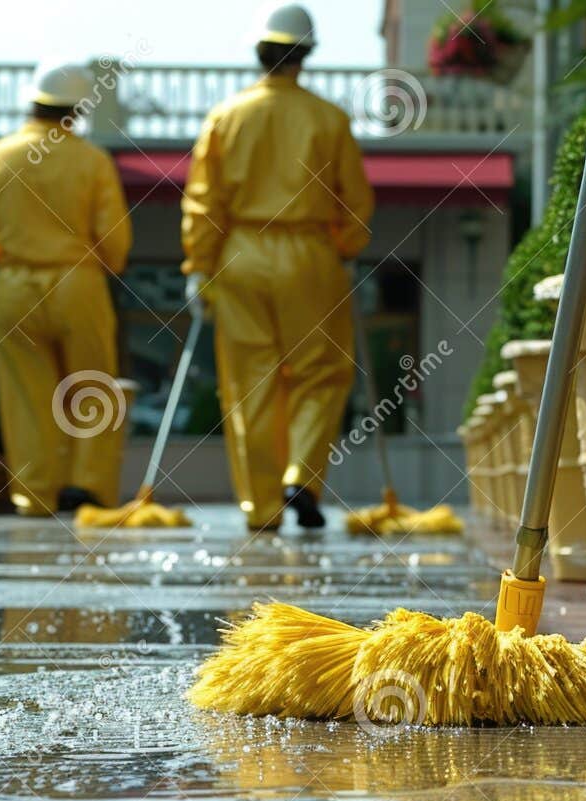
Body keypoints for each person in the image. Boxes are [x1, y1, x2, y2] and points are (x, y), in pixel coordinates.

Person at [182, 4, 375, 531]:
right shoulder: (329, 118)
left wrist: (199, 264)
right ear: (306, 55)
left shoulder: (226, 116)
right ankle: (301, 478)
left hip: (239, 253)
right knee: (323, 372)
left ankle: (263, 507)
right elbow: (355, 203)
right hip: (310, 255)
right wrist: (344, 246)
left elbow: (204, 201)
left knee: (250, 383)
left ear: (258, 52)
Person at [0, 62, 132, 516]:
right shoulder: (93, 160)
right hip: (78, 282)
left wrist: (4, 255)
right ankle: (87, 485)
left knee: (25, 395)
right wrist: (103, 265)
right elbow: (114, 240)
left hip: (15, 285)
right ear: (78, 109)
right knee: (91, 387)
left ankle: (35, 494)